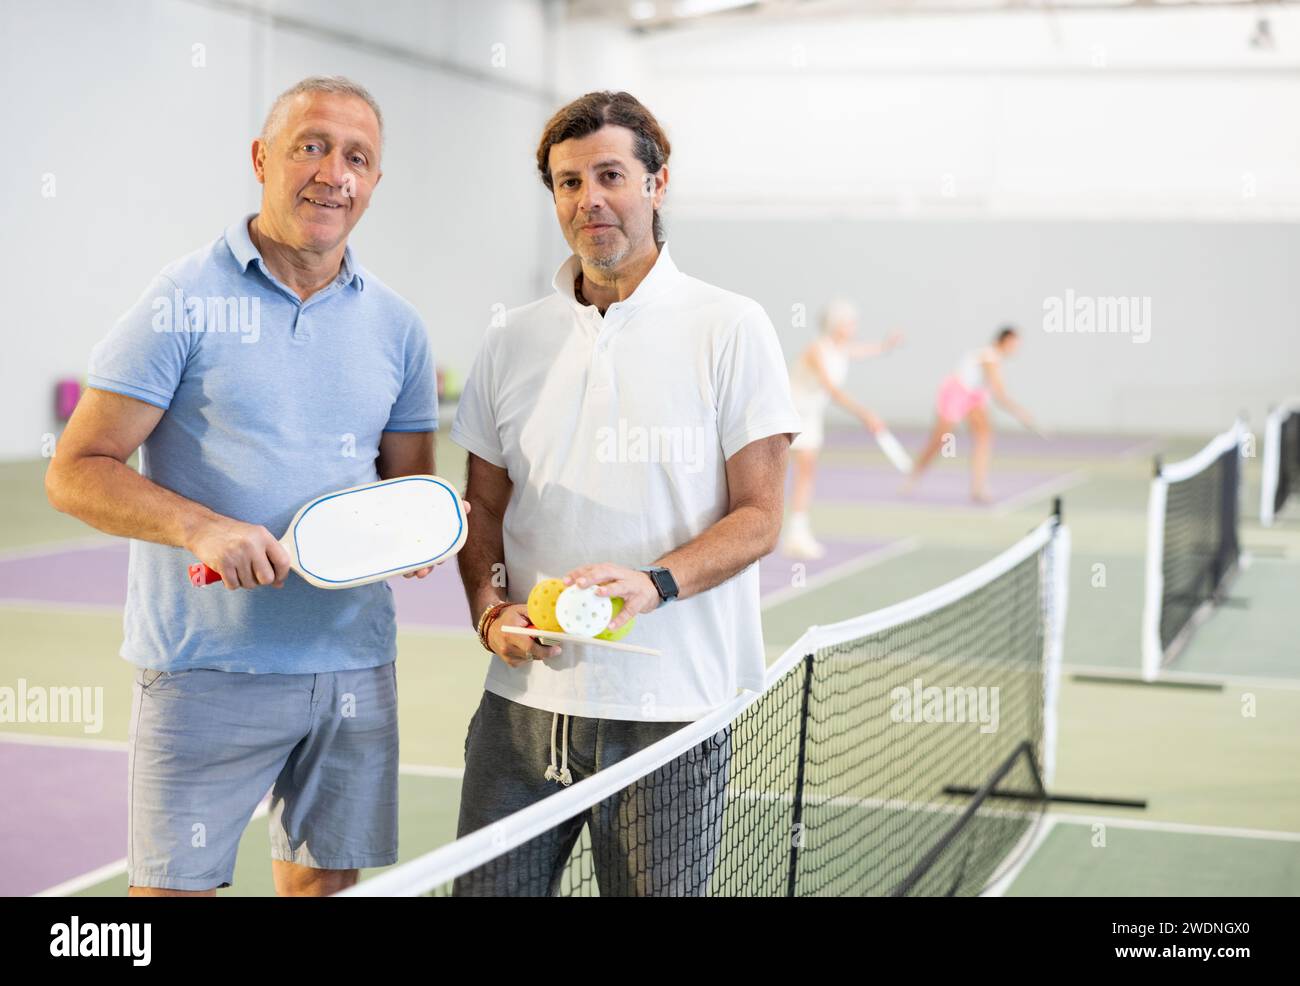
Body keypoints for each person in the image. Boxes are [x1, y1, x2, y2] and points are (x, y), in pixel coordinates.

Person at [44, 76, 441, 896]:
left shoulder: (398, 327)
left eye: (357, 157)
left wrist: (424, 534)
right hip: (205, 668)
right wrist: (200, 529)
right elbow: (75, 471)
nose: (334, 172)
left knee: (322, 888)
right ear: (261, 159)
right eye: (311, 146)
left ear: (374, 183)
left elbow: (409, 489)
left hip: (350, 668)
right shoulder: (181, 300)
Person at [450, 91, 801, 895]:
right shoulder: (512, 339)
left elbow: (760, 517)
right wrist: (488, 612)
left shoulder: (732, 326)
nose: (589, 199)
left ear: (657, 183)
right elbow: (484, 511)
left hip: (669, 714)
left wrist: (654, 584)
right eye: (569, 183)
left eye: (610, 174)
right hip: (521, 709)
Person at [783, 300, 902, 559]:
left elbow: (867, 350)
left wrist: (886, 346)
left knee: (806, 473)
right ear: (836, 325)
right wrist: (865, 414)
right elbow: (832, 390)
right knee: (776, 474)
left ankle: (797, 533)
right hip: (789, 414)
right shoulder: (816, 350)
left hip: (811, 416)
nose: (853, 327)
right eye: (849, 322)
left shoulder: (842, 349)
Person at [907, 325, 1036, 503]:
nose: (1015, 349)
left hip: (973, 397)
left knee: (984, 436)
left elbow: (989, 391)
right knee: (940, 440)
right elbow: (999, 394)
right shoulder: (989, 357)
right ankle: (913, 476)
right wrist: (1021, 414)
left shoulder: (995, 358)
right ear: (1004, 341)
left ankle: (978, 487)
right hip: (955, 393)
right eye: (1014, 344)